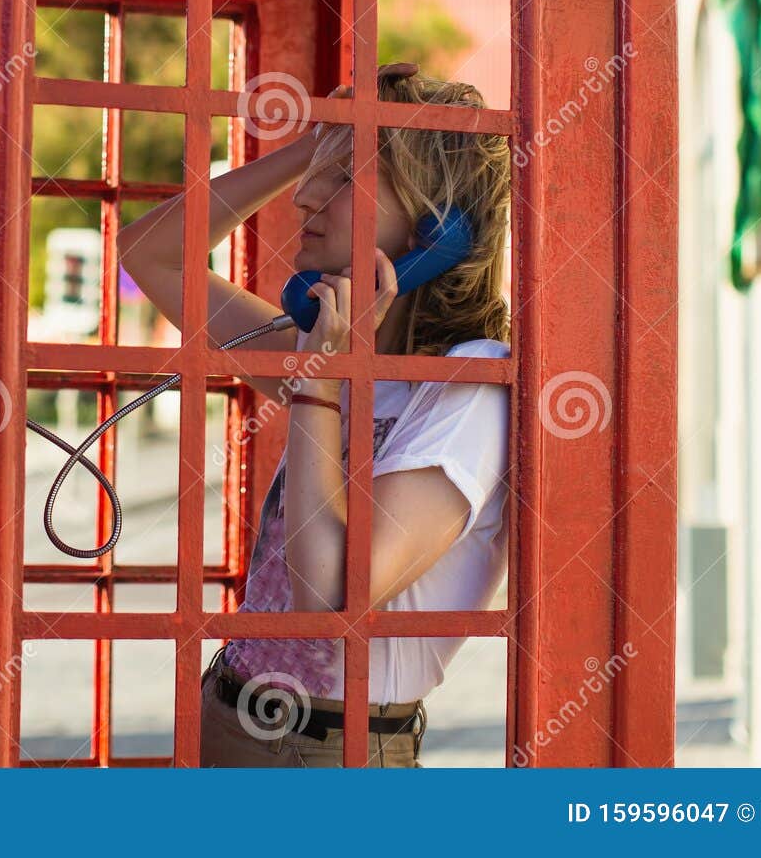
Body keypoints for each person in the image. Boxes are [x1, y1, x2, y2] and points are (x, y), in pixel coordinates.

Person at [117, 62, 511, 767]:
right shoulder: (338, 355)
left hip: (326, 752)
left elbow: (330, 591)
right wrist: (319, 141)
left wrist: (319, 377)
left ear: (437, 229)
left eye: (346, 176)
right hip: (222, 714)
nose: (305, 199)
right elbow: (153, 256)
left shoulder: (466, 385)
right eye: (317, 176)